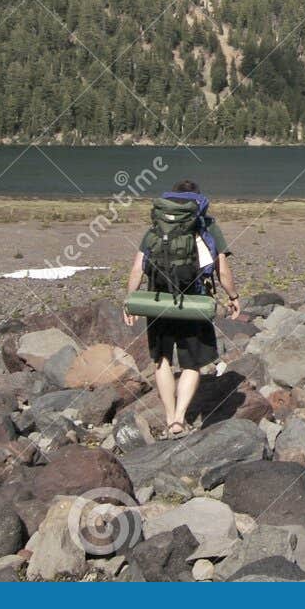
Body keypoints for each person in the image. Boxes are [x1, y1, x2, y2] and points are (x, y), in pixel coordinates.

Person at [122, 179, 242, 437]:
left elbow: (137, 268)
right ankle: (179, 420)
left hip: (157, 300)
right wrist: (233, 296)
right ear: (197, 202)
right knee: (191, 362)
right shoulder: (206, 226)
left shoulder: (156, 227)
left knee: (161, 359)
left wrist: (130, 301)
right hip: (194, 301)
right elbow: (222, 269)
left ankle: (168, 417)